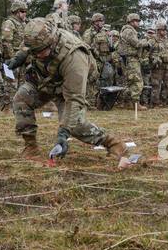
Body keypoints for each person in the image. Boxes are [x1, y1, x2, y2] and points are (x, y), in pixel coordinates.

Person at [12, 18, 137, 167]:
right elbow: (27, 47)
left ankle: (113, 143)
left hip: (68, 87)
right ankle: (31, 148)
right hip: (45, 80)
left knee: (76, 125)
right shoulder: (37, 37)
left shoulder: (75, 57)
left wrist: (63, 134)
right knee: (21, 99)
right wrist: (19, 56)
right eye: (34, 52)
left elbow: (74, 100)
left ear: (52, 42)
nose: (37, 55)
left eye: (40, 51)